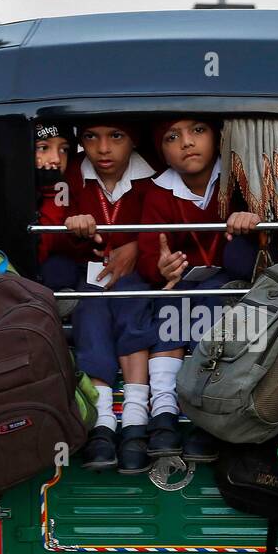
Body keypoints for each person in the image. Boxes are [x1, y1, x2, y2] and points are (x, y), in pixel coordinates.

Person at [38, 120, 159, 474]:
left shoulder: (154, 176)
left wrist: (137, 244)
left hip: (138, 275)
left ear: (133, 139)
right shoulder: (71, 173)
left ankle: (136, 415)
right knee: (90, 313)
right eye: (91, 137)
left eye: (116, 137)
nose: (103, 149)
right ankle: (102, 421)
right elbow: (52, 228)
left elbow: (168, 224)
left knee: (132, 301)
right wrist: (72, 227)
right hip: (89, 274)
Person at [138, 117, 261, 461]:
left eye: (197, 131)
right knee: (172, 302)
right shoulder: (157, 191)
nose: (186, 142)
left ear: (218, 137)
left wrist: (252, 221)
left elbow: (267, 239)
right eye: (171, 136)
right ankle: (164, 413)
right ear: (161, 151)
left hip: (228, 282)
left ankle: (207, 417)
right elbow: (150, 255)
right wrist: (159, 267)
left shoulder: (240, 177)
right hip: (186, 282)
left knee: (216, 302)